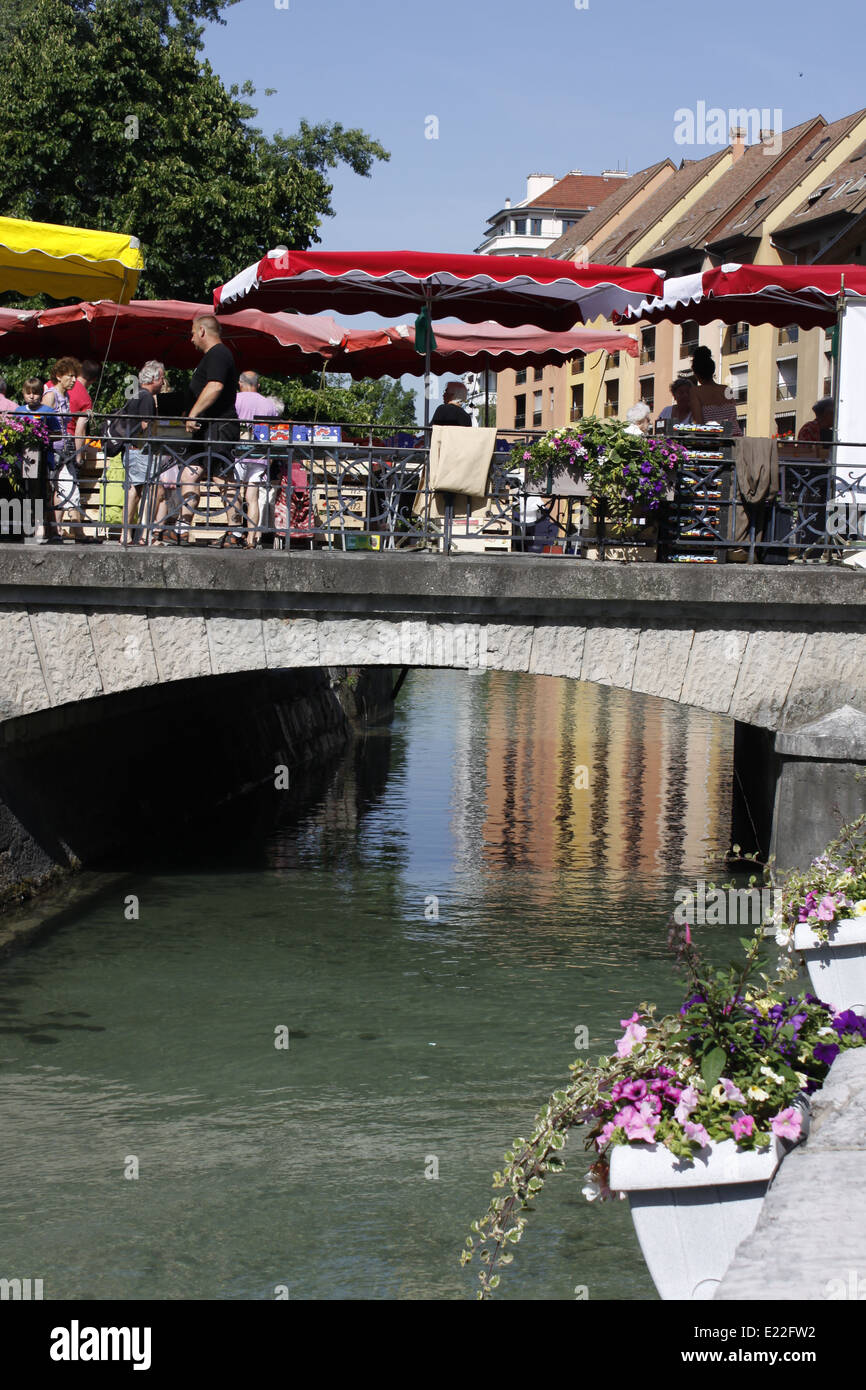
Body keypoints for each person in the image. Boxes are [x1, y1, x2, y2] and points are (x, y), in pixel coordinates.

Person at [174, 315, 240, 546]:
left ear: (202, 331)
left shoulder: (219, 354)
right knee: (189, 473)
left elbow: (215, 385)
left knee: (222, 477)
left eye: (192, 333)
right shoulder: (213, 356)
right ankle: (182, 528)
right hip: (205, 429)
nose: (191, 338)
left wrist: (193, 413)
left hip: (219, 426)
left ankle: (235, 532)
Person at [42, 357, 98, 543]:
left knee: (70, 490)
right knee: (49, 490)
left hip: (64, 450)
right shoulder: (50, 395)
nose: (74, 380)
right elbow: (39, 423)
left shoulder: (66, 396)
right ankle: (50, 532)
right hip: (52, 451)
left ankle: (69, 532)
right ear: (59, 376)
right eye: (70, 376)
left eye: (75, 376)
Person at [119, 361, 166, 545]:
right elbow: (146, 425)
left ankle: (127, 534)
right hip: (140, 450)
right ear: (154, 378)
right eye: (161, 378)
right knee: (153, 490)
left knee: (135, 491)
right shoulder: (146, 396)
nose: (163, 382)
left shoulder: (135, 393)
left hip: (131, 449)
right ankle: (145, 535)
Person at [234, 370, 281, 547]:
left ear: (240, 383)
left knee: (235, 494)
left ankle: (236, 533)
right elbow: (276, 430)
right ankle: (252, 538)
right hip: (260, 455)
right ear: (258, 385)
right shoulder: (269, 405)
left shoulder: (235, 399)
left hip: (238, 453)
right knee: (252, 497)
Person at [16, 378, 58, 543]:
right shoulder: (19, 410)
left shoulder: (48, 411)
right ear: (24, 394)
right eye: (29, 393)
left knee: (39, 491)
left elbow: (56, 433)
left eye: (36, 393)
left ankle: (40, 524)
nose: (32, 396)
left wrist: (43, 436)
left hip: (41, 458)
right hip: (22, 458)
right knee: (24, 491)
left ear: (41, 394)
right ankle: (26, 525)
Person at [686, 346, 742, 435]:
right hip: (737, 438)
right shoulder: (726, 389)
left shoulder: (695, 392)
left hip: (715, 440)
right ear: (712, 371)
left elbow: (699, 424)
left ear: (696, 374)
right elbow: (733, 418)